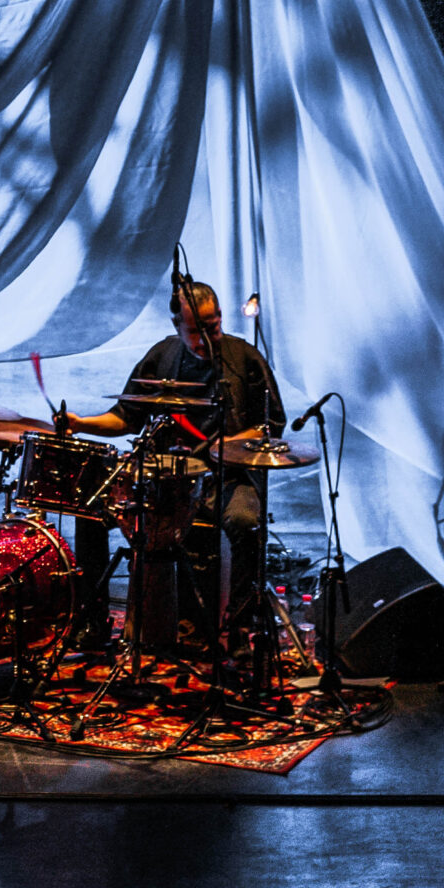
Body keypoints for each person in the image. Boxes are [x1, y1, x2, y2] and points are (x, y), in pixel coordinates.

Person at [57, 279, 284, 658]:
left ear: (221, 317)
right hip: (167, 483)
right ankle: (93, 622)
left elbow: (272, 426)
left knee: (245, 521)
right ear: (177, 326)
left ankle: (241, 631)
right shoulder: (161, 358)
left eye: (213, 327)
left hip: (227, 478)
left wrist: (231, 444)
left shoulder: (245, 359)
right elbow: (126, 417)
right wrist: (81, 423)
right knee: (92, 508)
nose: (206, 339)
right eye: (196, 331)